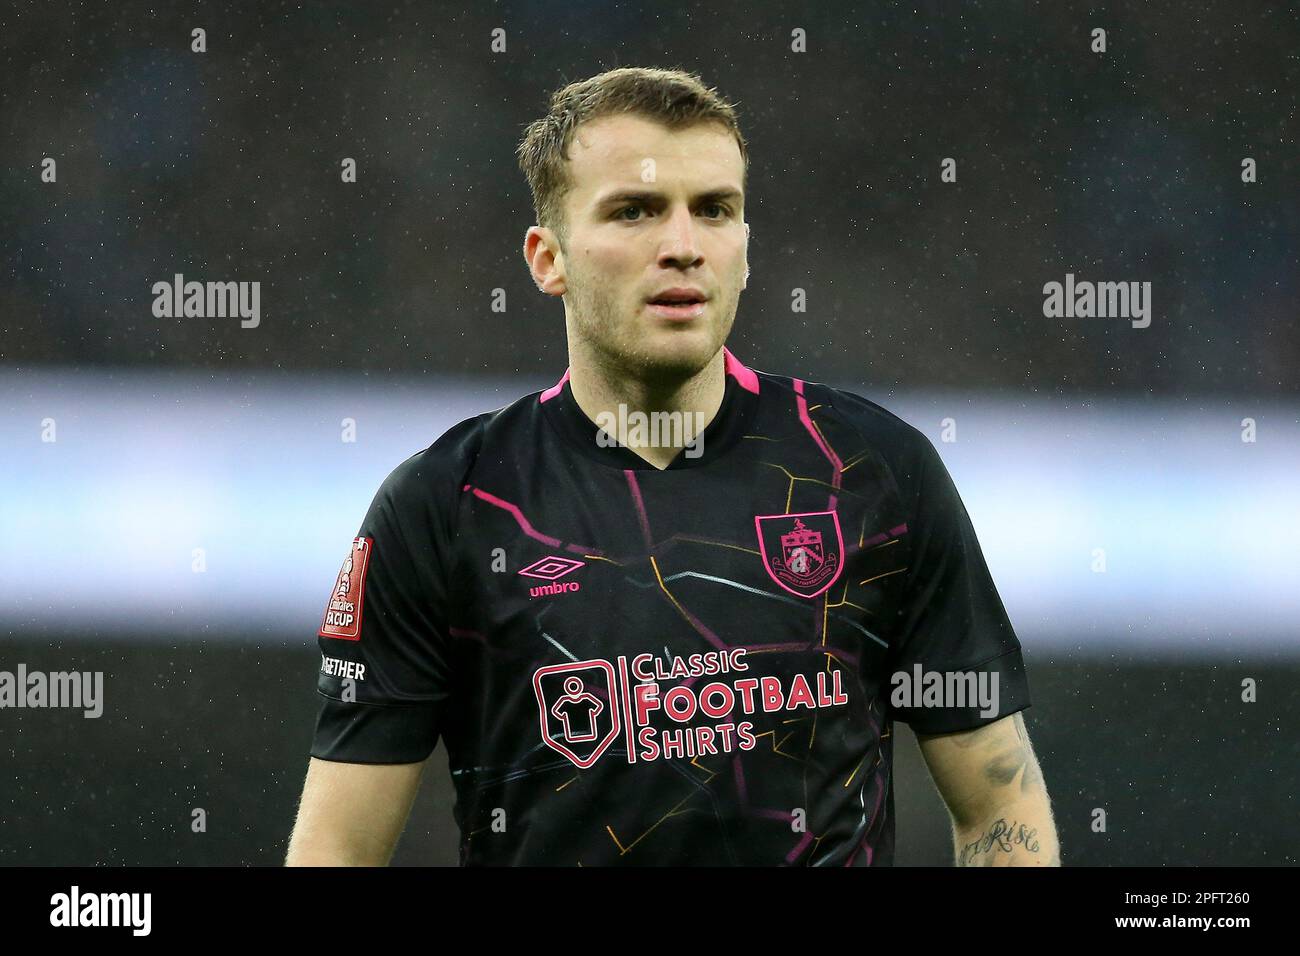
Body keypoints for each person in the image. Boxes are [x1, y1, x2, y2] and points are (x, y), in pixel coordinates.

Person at [286, 66, 1060, 867]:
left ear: (747, 250)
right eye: (635, 211)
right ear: (546, 259)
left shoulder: (875, 470)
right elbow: (338, 849)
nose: (684, 246)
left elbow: (1000, 800)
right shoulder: (447, 503)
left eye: (715, 210)